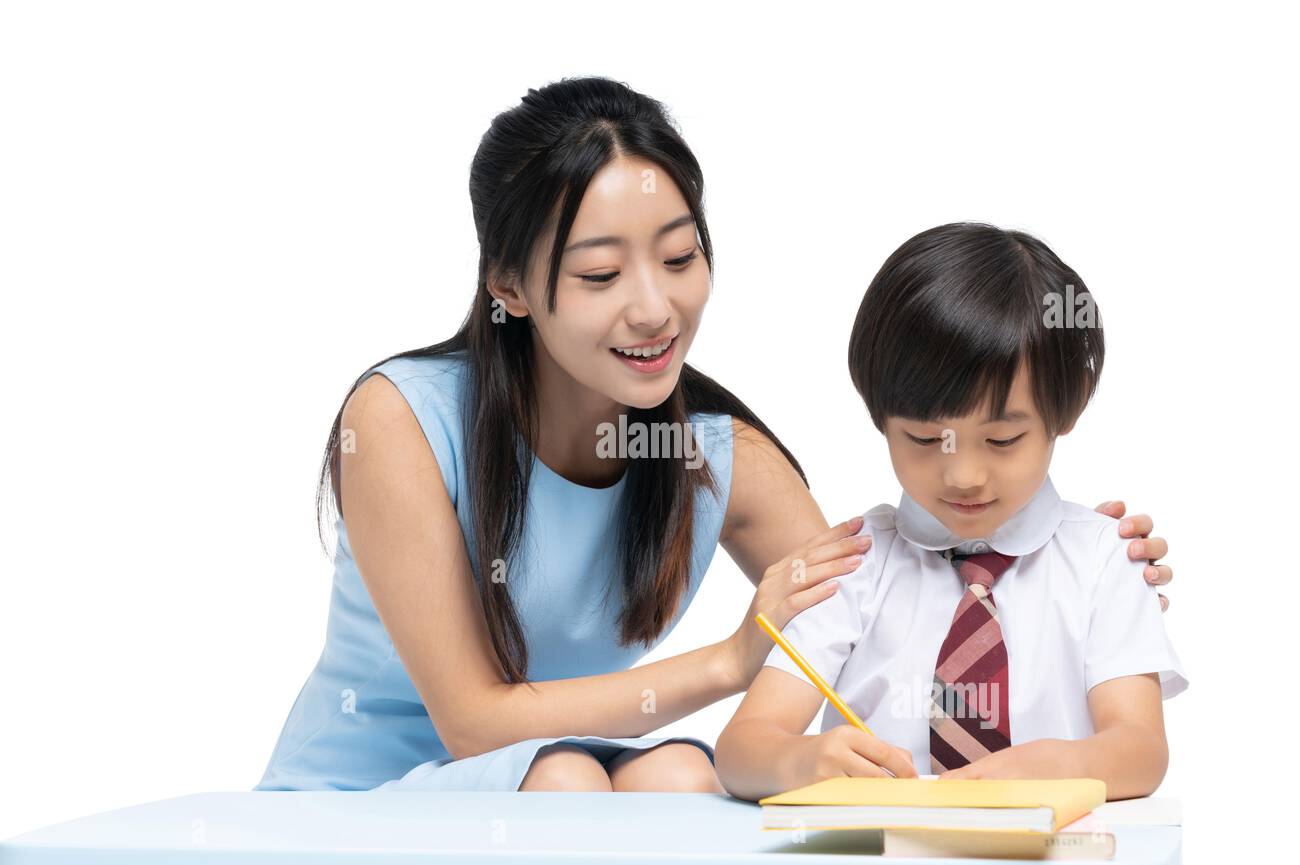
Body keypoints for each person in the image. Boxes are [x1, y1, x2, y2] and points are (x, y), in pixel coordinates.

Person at [254, 80, 1173, 793]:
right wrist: (733, 663)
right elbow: (471, 724)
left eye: (680, 257)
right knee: (577, 776)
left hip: (546, 791)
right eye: (602, 272)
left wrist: (1054, 554)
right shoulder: (400, 418)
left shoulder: (713, 453)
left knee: (684, 775)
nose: (655, 308)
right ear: (510, 285)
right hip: (360, 797)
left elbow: (897, 587)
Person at [715, 222, 1187, 802]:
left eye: (1003, 441)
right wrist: (799, 758)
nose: (964, 475)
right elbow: (741, 751)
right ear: (878, 414)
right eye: (922, 439)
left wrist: (1056, 766)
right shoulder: (855, 565)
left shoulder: (1103, 560)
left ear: (1070, 406)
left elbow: (1141, 751)